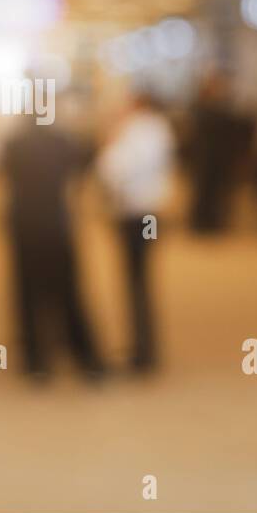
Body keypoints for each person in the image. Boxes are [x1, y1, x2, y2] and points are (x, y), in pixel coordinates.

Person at [2, 117, 105, 381]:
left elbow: (4, 174)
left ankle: (35, 360)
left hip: (23, 223)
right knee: (68, 291)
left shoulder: (14, 144)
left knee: (27, 292)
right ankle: (87, 358)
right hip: (56, 223)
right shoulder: (64, 142)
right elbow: (86, 164)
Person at [96, 91, 175, 373]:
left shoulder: (136, 131)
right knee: (141, 280)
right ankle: (144, 346)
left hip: (137, 214)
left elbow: (113, 168)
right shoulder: (158, 128)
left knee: (136, 281)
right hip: (150, 214)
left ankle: (143, 351)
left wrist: (111, 143)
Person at [187, 72, 249, 233]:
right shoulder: (201, 110)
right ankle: (202, 222)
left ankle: (214, 222)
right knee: (204, 193)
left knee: (219, 194)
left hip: (222, 160)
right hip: (205, 159)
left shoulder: (224, 112)